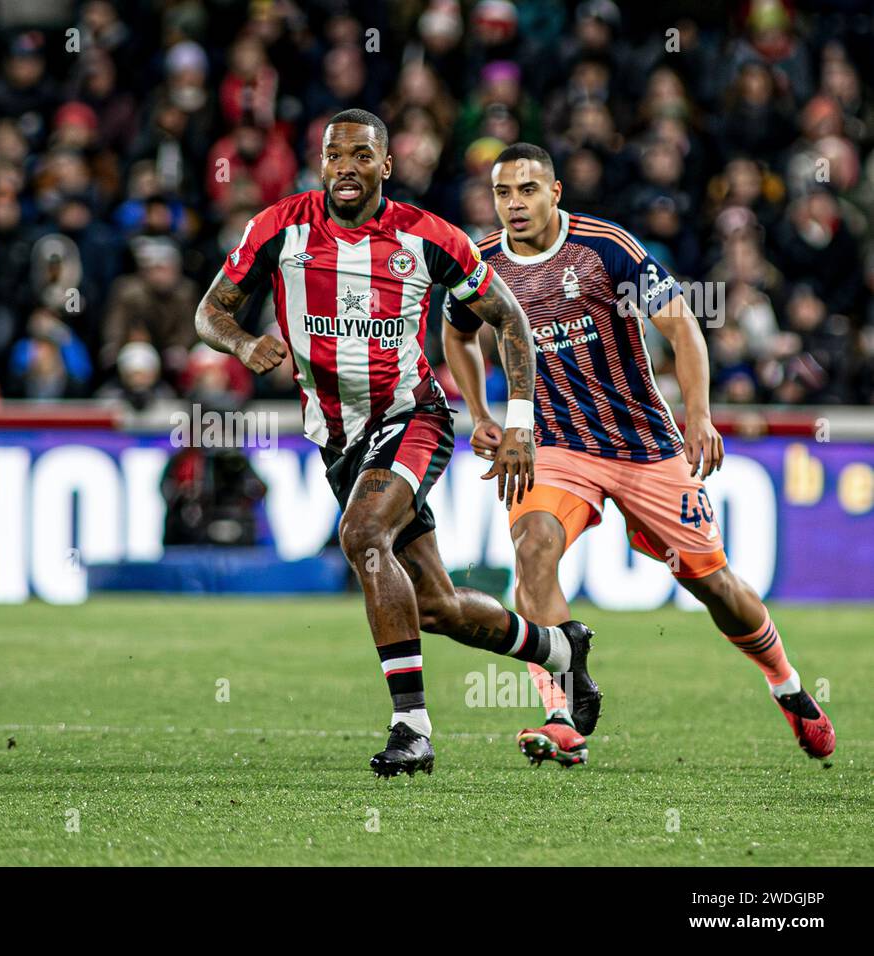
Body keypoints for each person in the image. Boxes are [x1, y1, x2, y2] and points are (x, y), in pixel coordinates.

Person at [194, 109, 600, 778]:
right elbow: (211, 310)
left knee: (361, 536)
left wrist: (520, 420)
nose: (345, 168)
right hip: (337, 438)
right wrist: (241, 342)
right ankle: (560, 649)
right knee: (435, 606)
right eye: (334, 156)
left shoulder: (427, 236)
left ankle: (411, 727)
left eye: (361, 156)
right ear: (321, 163)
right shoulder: (278, 228)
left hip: (413, 417)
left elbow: (510, 318)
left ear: (386, 165)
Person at [444, 142, 835, 766]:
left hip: (643, 446)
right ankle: (562, 711)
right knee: (533, 551)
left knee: (714, 585)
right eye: (502, 193)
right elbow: (457, 331)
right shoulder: (483, 263)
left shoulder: (605, 249)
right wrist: (483, 414)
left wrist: (699, 415)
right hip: (556, 446)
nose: (514, 205)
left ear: (555, 192)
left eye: (527, 190)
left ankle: (785, 683)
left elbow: (681, 324)